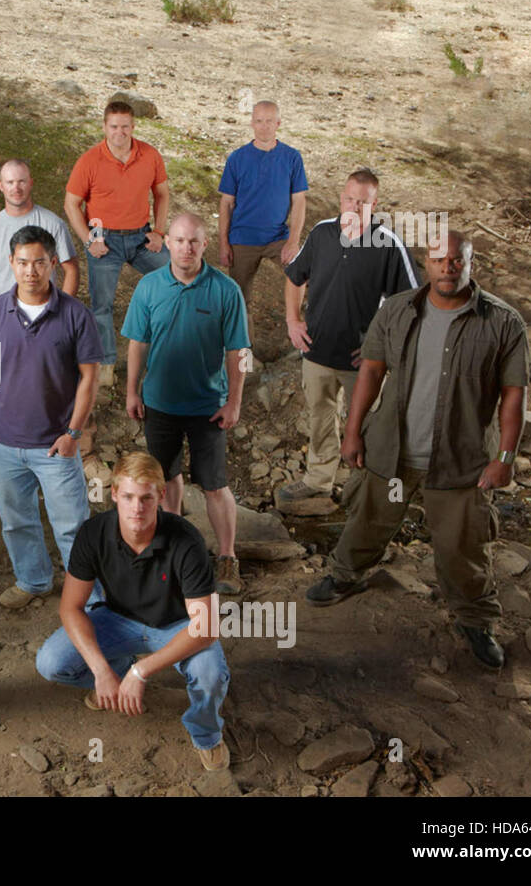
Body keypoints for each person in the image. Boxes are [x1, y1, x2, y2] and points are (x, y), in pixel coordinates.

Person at [306, 231, 530, 670]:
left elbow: (513, 398)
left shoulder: (502, 323)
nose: (448, 267)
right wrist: (352, 433)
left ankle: (475, 620)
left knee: (462, 546)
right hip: (392, 449)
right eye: (438, 258)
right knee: (367, 519)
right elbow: (370, 370)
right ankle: (346, 577)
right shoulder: (397, 309)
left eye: (456, 260)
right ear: (426, 263)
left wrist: (504, 460)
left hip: (460, 461)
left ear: (470, 264)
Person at [35, 452, 231, 772]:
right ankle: (116, 675)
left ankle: (207, 735)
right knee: (50, 663)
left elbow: (206, 627)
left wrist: (143, 671)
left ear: (161, 495)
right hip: (117, 618)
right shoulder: (93, 533)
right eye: (127, 497)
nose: (136, 508)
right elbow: (70, 607)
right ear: (114, 494)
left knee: (209, 676)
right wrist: (101, 670)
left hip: (177, 624)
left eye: (145, 498)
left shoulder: (186, 540)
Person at [0, 225, 100, 610]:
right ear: (10, 263)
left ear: (53, 264)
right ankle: (34, 580)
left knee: (73, 526)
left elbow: (89, 377)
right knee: (16, 523)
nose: (30, 271)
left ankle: (90, 597)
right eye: (22, 262)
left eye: (39, 262)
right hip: (2, 445)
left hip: (55, 445)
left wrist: (73, 433)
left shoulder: (75, 314)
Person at [123, 213, 250, 594]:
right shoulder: (148, 287)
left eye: (193, 241)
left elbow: (238, 350)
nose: (185, 248)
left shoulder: (226, 291)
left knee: (214, 485)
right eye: (178, 240)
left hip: (207, 406)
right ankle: (171, 550)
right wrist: (132, 391)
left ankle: (226, 558)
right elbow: (137, 343)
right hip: (159, 404)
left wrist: (234, 402)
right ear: (168, 243)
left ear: (204, 244)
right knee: (166, 481)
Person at [279, 168, 418, 510]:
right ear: (341, 197)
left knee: (369, 426)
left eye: (362, 202)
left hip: (364, 362)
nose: (354, 207)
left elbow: (410, 305)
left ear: (375, 203)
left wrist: (380, 345)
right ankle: (318, 481)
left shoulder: (388, 244)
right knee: (320, 417)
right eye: (349, 199)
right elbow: (295, 277)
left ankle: (362, 490)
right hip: (316, 350)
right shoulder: (322, 233)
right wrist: (293, 320)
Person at [64, 101, 170, 390]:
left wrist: (159, 231)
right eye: (114, 126)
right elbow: (71, 204)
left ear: (133, 127)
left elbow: (161, 194)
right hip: (103, 240)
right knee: (101, 306)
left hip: (140, 237)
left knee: (176, 279)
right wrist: (88, 240)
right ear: (104, 127)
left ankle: (169, 355)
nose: (119, 132)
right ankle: (106, 365)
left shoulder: (149, 155)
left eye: (125, 126)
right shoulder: (89, 160)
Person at [217, 100, 308, 334]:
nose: (264, 126)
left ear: (278, 123)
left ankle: (303, 336)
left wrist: (293, 241)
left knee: (306, 275)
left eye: (269, 121)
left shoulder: (292, 157)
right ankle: (244, 356)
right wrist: (224, 243)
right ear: (252, 123)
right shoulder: (237, 158)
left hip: (278, 237)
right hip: (242, 238)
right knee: (238, 299)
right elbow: (226, 203)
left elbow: (299, 201)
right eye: (259, 121)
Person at [0, 158, 78, 305]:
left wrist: (62, 309)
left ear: (31, 183)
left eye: (21, 181)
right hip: (5, 314)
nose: (16, 188)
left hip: (45, 311)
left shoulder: (53, 224)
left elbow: (71, 269)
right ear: (1, 186)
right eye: (10, 182)